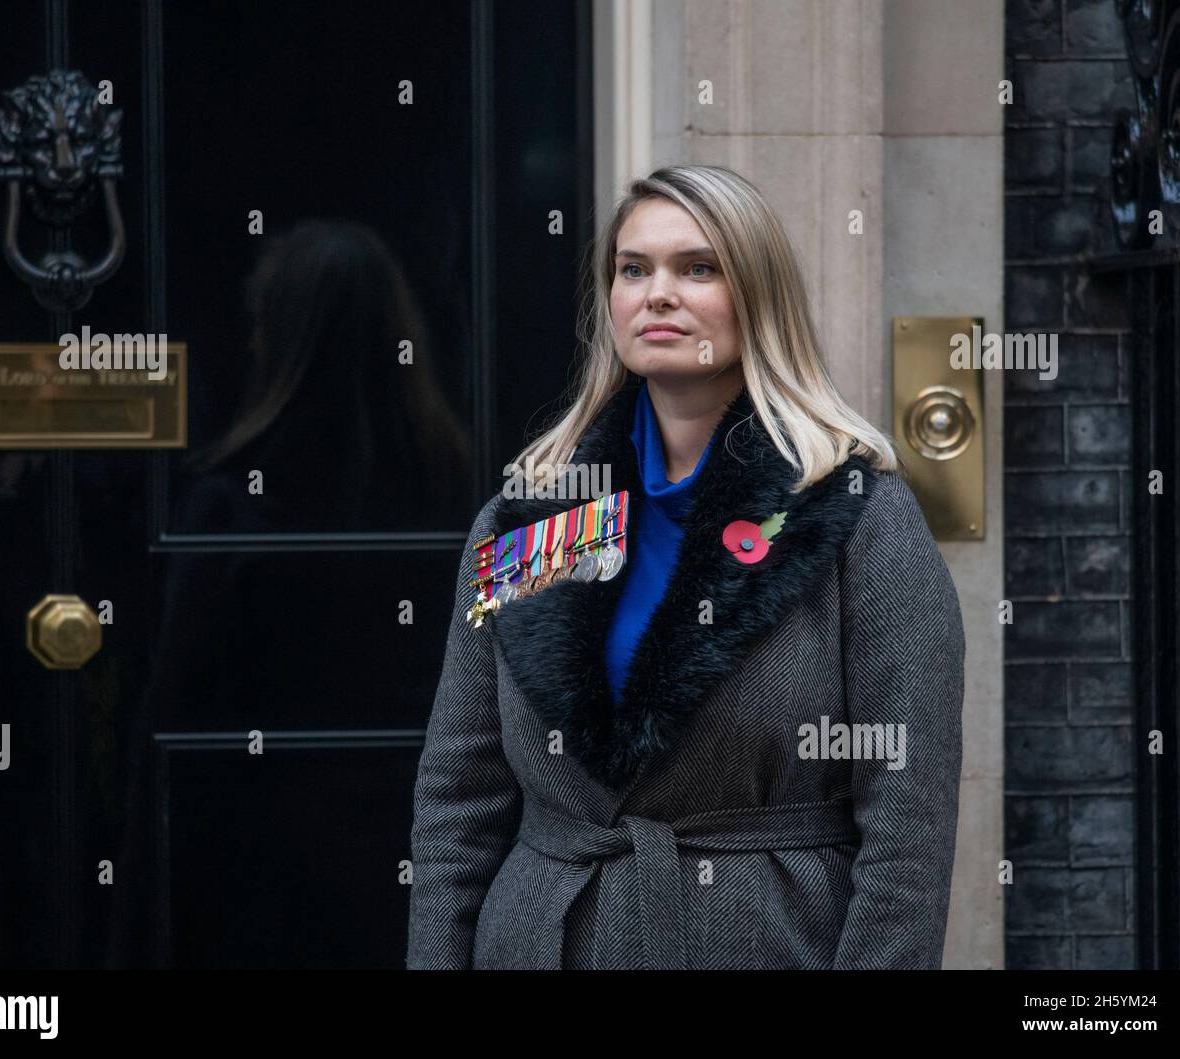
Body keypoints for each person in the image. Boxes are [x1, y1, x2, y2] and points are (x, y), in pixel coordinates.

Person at [405, 164, 965, 970]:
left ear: (758, 298)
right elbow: (459, 799)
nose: (657, 293)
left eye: (697, 268)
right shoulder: (538, 521)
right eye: (634, 270)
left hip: (769, 939)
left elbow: (908, 822)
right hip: (541, 940)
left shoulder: (852, 513)